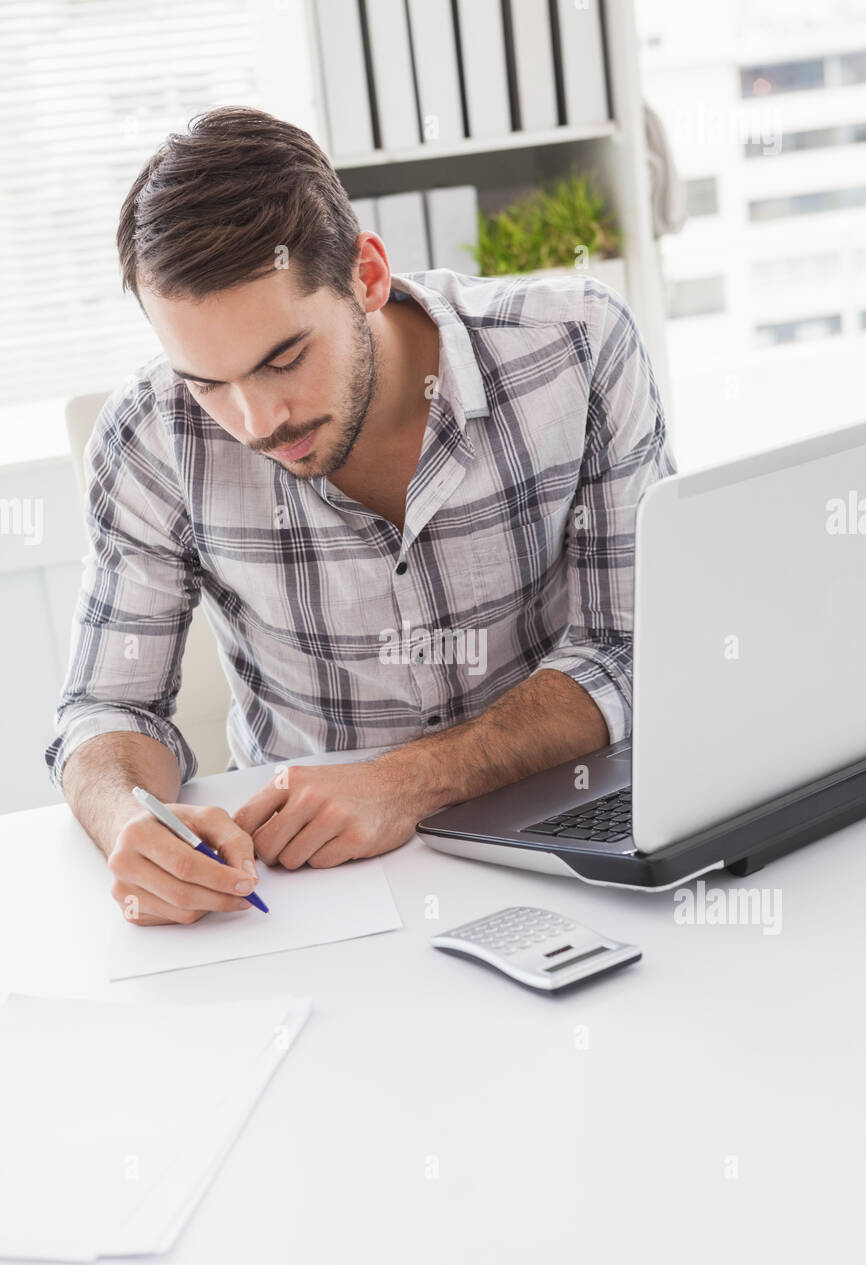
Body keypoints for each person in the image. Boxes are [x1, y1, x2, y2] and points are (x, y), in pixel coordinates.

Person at [46, 106, 676, 925]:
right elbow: (107, 708)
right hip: (307, 883)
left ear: (367, 276)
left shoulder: (581, 346)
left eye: (284, 359)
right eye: (208, 381)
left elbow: (630, 649)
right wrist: (129, 819)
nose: (256, 420)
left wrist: (407, 781)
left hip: (569, 832)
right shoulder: (149, 434)